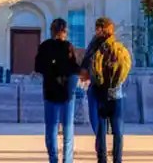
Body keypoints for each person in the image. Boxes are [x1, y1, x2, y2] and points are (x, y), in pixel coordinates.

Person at [34, 17, 79, 163]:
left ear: (52, 31)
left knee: (51, 130)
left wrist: (51, 71)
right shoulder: (68, 47)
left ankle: (53, 159)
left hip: (50, 91)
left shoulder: (44, 46)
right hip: (66, 93)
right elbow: (73, 68)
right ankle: (67, 160)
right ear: (64, 31)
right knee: (67, 130)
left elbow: (38, 67)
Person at [86, 18, 131, 163]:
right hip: (115, 92)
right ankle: (117, 160)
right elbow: (125, 68)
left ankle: (103, 159)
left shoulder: (95, 47)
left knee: (101, 130)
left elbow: (87, 66)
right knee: (117, 131)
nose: (96, 31)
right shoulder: (119, 48)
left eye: (98, 28)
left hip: (100, 93)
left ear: (102, 29)